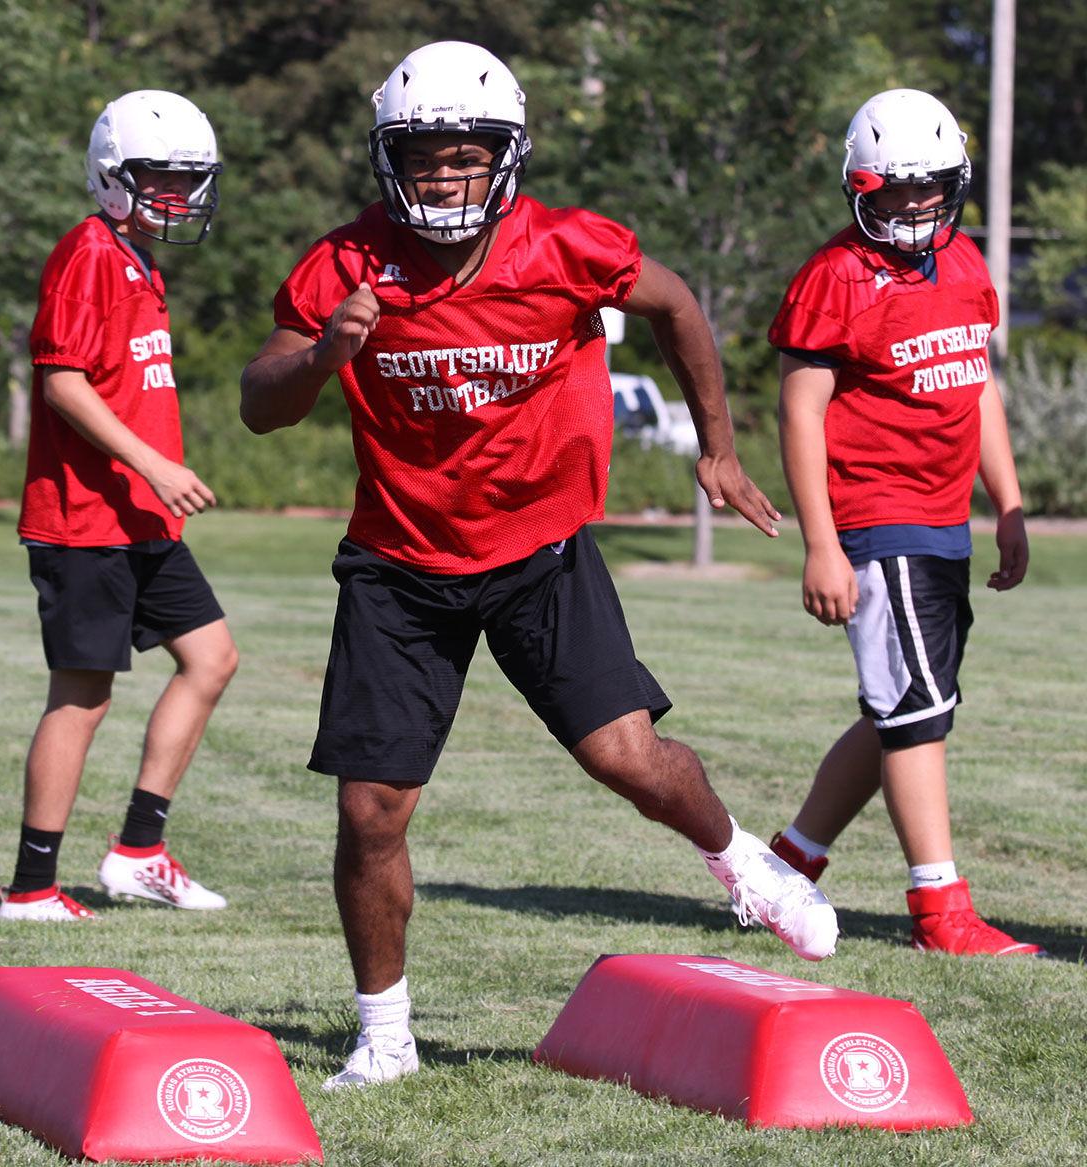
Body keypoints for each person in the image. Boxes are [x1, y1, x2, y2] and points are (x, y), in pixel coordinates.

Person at [241, 41, 838, 1088]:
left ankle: (746, 863)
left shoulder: (566, 244)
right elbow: (259, 403)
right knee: (370, 810)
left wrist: (717, 444)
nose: (444, 176)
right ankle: (386, 1035)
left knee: (629, 759)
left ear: (506, 156)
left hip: (540, 552)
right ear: (388, 160)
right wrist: (324, 356)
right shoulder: (345, 263)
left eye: (467, 155)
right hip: (400, 564)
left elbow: (677, 305)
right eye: (422, 157)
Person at [766, 88, 1043, 957]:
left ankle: (788, 862)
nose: (917, 205)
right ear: (863, 187)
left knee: (909, 706)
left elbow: (975, 386)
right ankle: (939, 908)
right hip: (877, 515)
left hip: (942, 517)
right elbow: (800, 412)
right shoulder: (836, 276)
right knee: (915, 708)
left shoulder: (963, 263)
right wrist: (821, 544)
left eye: (931, 188)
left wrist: (1007, 502)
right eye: (897, 190)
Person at [0, 90, 238, 922]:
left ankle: (138, 851)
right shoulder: (89, 253)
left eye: (186, 180)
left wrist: (152, 479)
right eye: (159, 178)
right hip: (85, 519)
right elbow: (62, 382)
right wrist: (153, 463)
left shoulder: (136, 257)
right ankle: (31, 886)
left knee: (211, 659)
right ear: (110, 175)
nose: (178, 196)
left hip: (139, 517)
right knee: (83, 693)